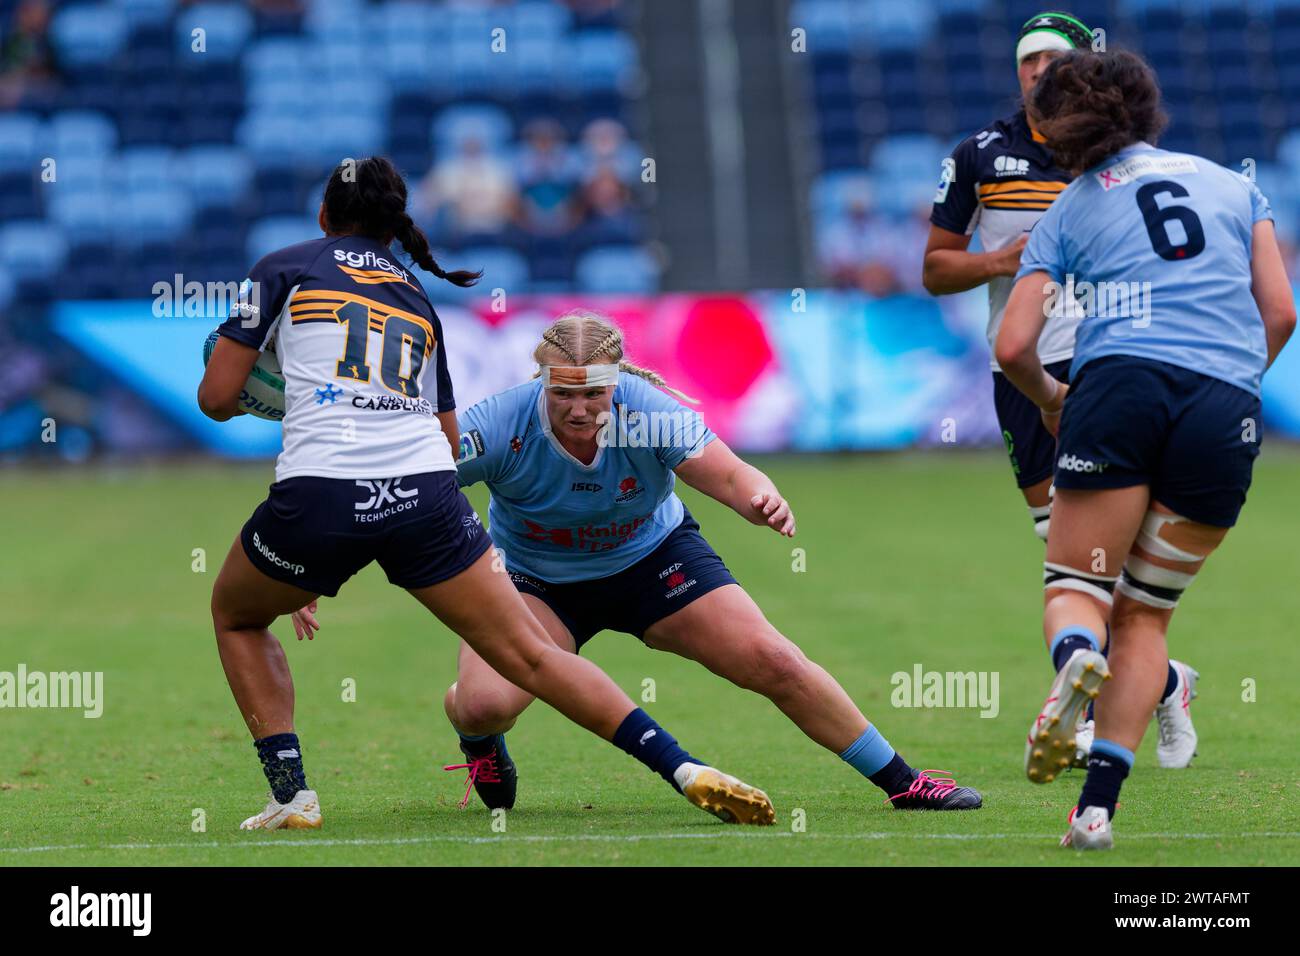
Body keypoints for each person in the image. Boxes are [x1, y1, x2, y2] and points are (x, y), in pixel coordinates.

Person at [198, 157, 776, 830]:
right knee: (530, 656)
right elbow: (444, 437)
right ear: (394, 230)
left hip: (320, 496)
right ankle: (682, 766)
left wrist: (278, 400)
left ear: (324, 219)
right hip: (427, 494)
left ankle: (292, 793)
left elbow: (214, 398)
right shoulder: (417, 299)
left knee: (237, 614)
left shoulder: (282, 267)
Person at [315, 309, 983, 814]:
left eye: (594, 394)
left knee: (775, 661)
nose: (579, 410)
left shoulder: (649, 412)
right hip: (531, 581)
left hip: (653, 561)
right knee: (485, 703)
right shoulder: (497, 425)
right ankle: (479, 743)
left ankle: (904, 783)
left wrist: (760, 496)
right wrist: (313, 569)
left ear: (618, 382)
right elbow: (396, 487)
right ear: (540, 382)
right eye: (563, 394)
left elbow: (725, 473)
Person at [995, 51, 1295, 849]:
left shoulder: (1068, 209)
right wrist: (1228, 387)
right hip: (1224, 405)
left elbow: (1014, 343)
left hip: (1119, 387)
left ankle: (1074, 658)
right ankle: (1095, 812)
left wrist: (1055, 402)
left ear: (1056, 132)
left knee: (1078, 586)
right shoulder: (1236, 186)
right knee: (1148, 615)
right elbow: (1282, 312)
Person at [922, 10, 1199, 770]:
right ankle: (1164, 681)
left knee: (1078, 563)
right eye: (1027, 59)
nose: (1039, 70)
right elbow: (935, 267)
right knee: (1065, 546)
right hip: (1021, 368)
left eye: (1055, 58)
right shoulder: (981, 154)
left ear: (1086, 71)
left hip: (1112, 363)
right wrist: (1002, 261)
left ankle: (1089, 707)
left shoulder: (1118, 158)